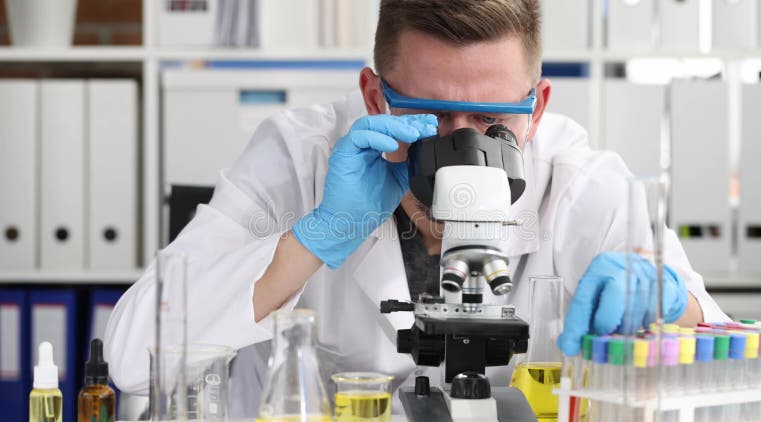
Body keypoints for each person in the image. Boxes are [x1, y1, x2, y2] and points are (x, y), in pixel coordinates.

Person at [106, 0, 729, 416]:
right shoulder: (300, 158)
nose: (461, 149)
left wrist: (672, 301)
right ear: (374, 97)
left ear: (536, 109)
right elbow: (131, 360)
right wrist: (319, 236)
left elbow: (729, 370)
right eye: (426, 117)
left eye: (490, 120)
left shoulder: (585, 186)